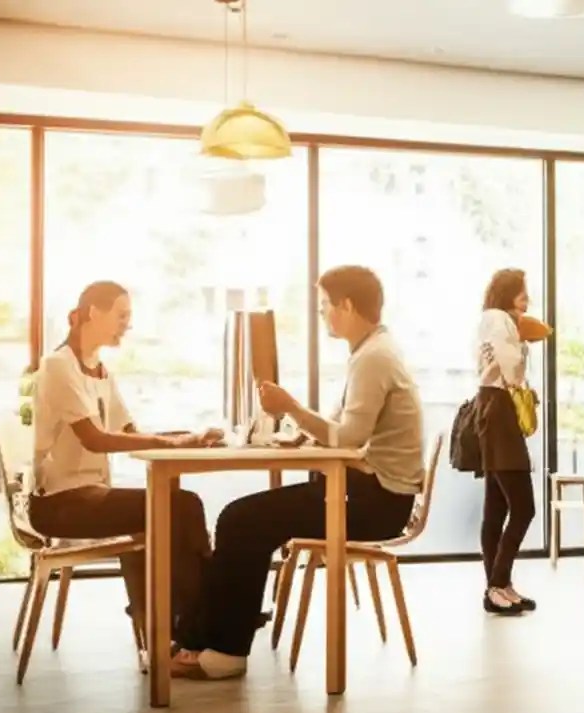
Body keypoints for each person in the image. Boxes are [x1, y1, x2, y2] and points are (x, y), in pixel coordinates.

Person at [173, 265, 425, 680]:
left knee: (241, 519)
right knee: (243, 519)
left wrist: (290, 407)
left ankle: (222, 650)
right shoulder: (372, 352)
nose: (323, 314)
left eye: (325, 306)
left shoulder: (374, 358)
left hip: (376, 503)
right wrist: (300, 428)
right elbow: (346, 437)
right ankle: (203, 641)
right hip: (367, 491)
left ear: (346, 305)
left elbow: (346, 439)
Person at [29, 281, 222, 651]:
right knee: (180, 506)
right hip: (59, 503)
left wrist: (189, 436)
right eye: (122, 316)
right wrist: (169, 443)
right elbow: (96, 438)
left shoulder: (99, 370)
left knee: (175, 508)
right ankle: (196, 624)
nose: (126, 325)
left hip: (89, 496)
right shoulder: (58, 366)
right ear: (92, 313)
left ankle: (179, 629)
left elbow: (129, 431)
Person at [475, 268, 540, 615]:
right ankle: (497, 584)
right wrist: (524, 342)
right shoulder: (501, 321)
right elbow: (514, 372)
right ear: (507, 293)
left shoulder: (488, 319)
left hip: (488, 408)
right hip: (499, 411)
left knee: (496, 506)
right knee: (523, 506)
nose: (526, 300)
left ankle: (498, 586)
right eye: (522, 292)